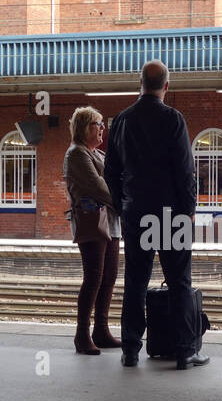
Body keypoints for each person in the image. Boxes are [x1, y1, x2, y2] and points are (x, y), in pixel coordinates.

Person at [104, 59, 207, 370]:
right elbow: (185, 171)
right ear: (166, 86)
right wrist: (188, 211)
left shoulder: (121, 120)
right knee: (179, 282)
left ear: (140, 84)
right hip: (171, 213)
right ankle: (184, 351)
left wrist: (122, 204)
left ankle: (131, 351)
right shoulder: (173, 119)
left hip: (136, 212)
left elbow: (111, 171)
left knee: (135, 280)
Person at [63, 106, 121, 355]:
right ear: (86, 127)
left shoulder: (97, 153)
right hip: (92, 223)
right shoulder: (77, 154)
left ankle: (101, 330)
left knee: (109, 277)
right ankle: (82, 334)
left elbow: (117, 179)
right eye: (98, 124)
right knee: (94, 277)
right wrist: (125, 203)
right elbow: (99, 187)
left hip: (109, 222)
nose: (102, 129)